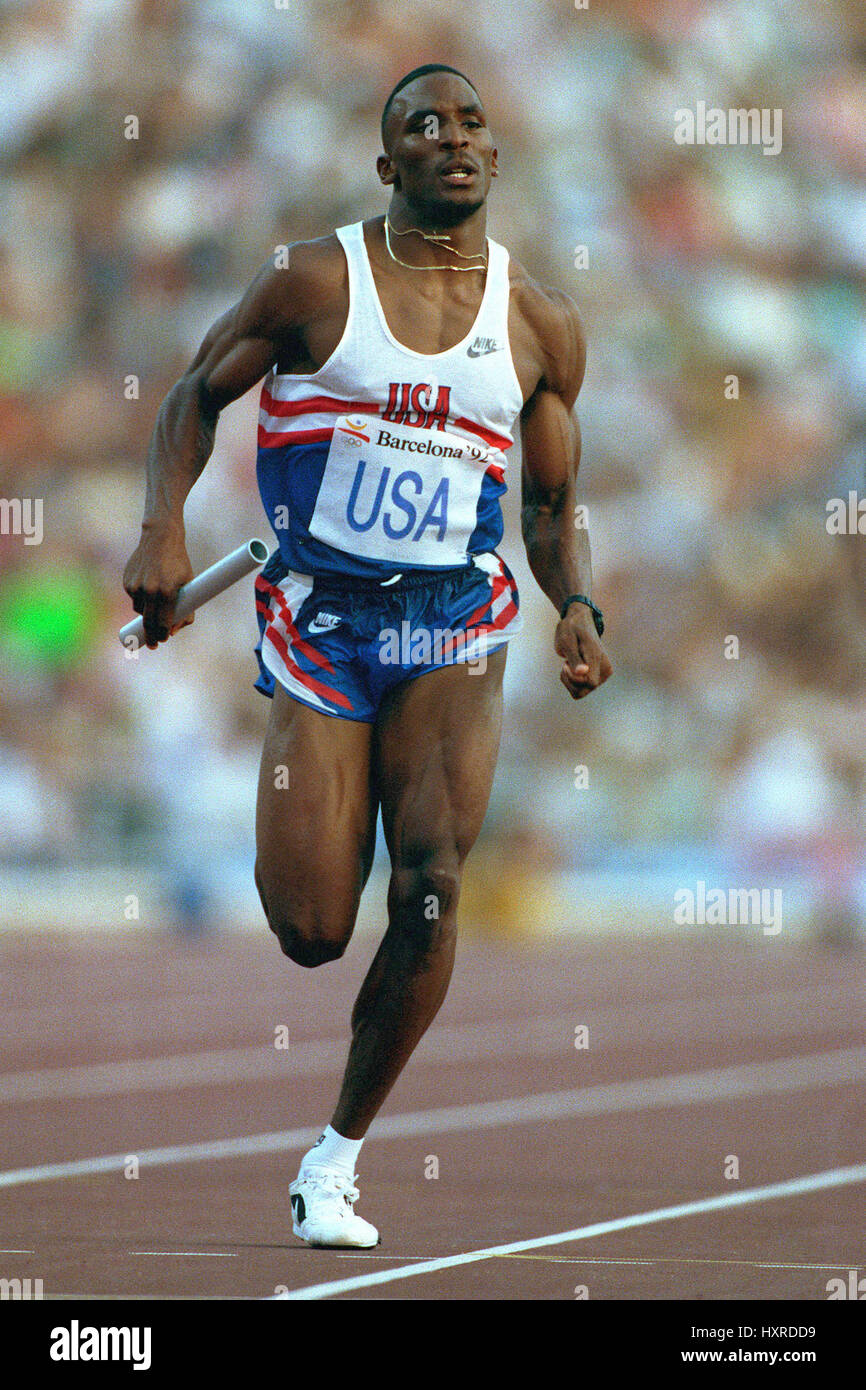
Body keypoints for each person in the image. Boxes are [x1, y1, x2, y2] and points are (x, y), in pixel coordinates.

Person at [122, 63, 612, 1249]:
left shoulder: (540, 322)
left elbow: (548, 504)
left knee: (433, 881)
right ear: (385, 164)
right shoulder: (311, 280)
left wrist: (578, 603)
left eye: (472, 125)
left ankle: (332, 1161)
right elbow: (194, 390)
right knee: (310, 928)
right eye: (422, 127)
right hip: (320, 619)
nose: (453, 139)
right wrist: (161, 528)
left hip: (454, 619)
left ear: (495, 160)